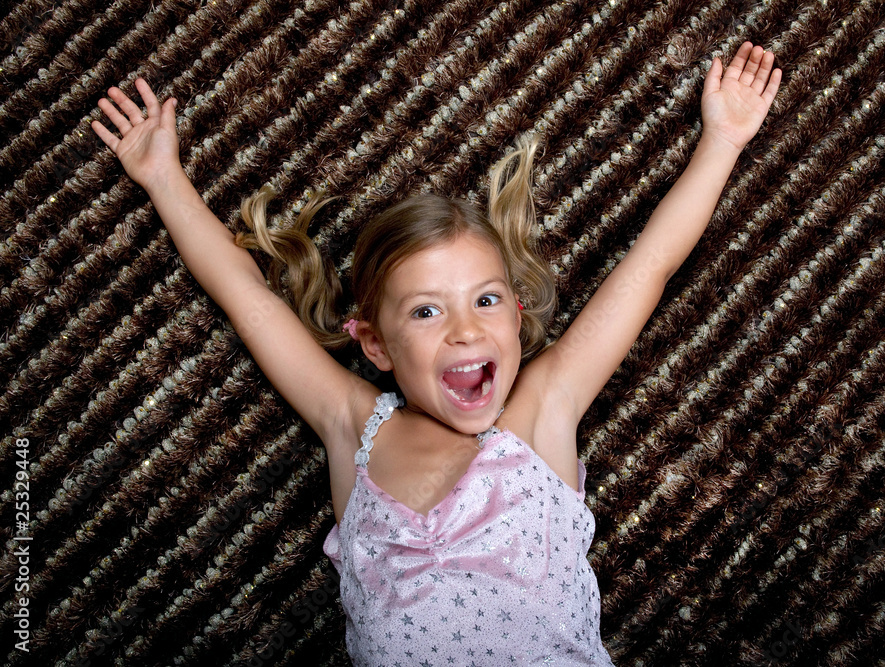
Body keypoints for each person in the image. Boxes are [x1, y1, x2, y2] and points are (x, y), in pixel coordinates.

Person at [91, 41, 781, 665]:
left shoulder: (541, 412)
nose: (463, 329)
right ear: (375, 344)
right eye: (425, 311)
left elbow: (649, 267)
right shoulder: (354, 425)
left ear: (515, 313)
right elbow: (252, 304)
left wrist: (722, 139)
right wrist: (163, 177)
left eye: (485, 300)